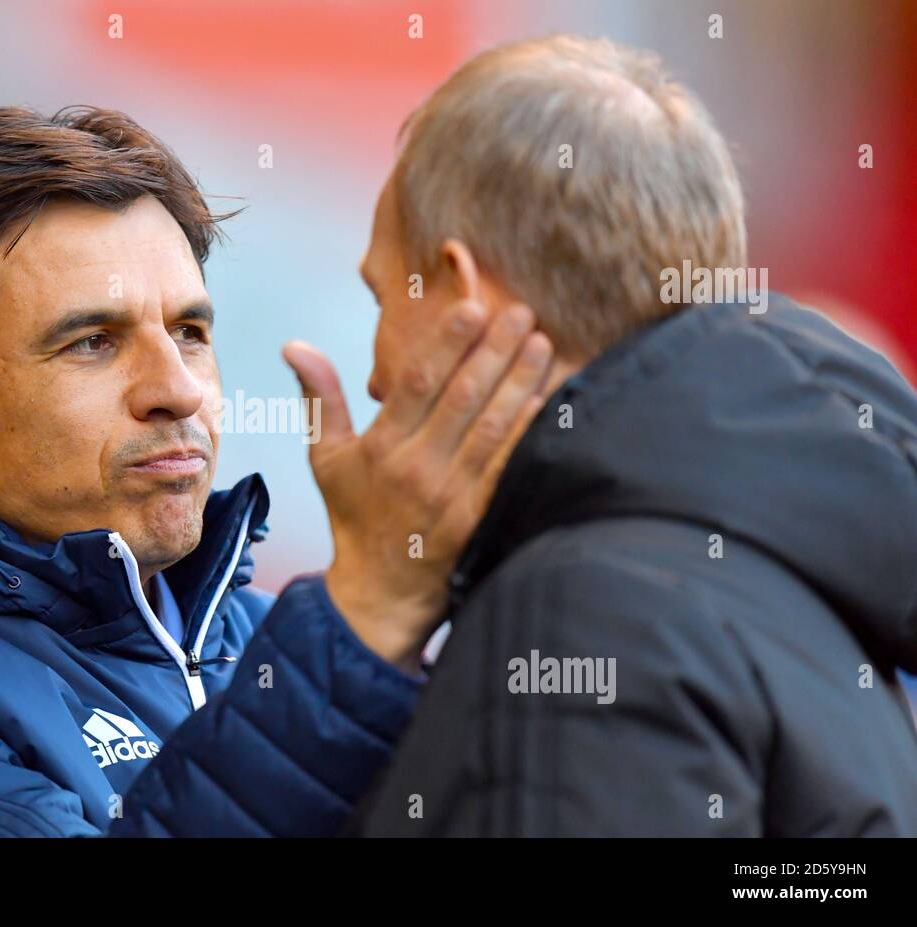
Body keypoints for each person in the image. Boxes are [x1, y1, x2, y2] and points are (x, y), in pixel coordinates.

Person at [0, 106, 553, 836]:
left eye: (190, 331)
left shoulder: (252, 639)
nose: (176, 389)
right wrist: (365, 618)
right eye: (92, 341)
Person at [348, 35, 917, 836]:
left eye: (384, 296)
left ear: (460, 295)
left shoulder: (578, 609)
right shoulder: (804, 599)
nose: (373, 376)